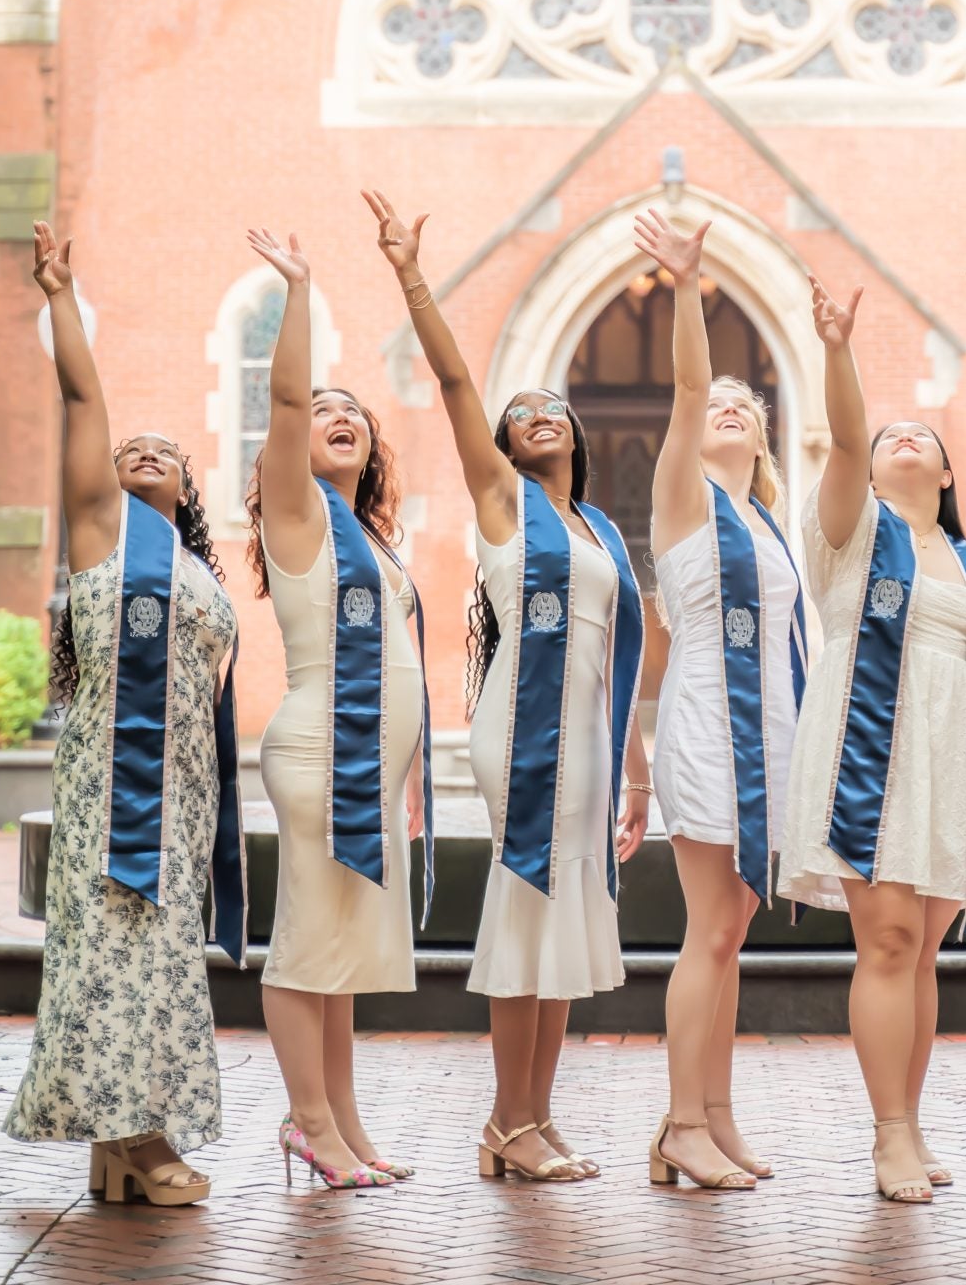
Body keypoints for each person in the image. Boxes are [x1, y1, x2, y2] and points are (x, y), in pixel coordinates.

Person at [365, 186, 650, 1184]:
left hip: (588, 734)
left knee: (564, 916)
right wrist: (411, 275)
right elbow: (453, 380)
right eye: (517, 414)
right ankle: (502, 1120)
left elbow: (617, 655)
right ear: (506, 443)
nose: (534, 417)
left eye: (548, 409)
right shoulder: (503, 502)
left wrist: (634, 765)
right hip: (523, 728)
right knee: (529, 905)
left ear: (575, 433)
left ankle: (534, 1117)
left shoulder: (596, 531)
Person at [779, 272, 966, 1205]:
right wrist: (835, 347)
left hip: (946, 770)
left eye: (922, 435)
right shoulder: (847, 534)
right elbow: (847, 437)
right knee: (885, 941)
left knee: (922, 953)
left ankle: (910, 1121)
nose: (902, 439)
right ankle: (886, 1134)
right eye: (891, 437)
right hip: (866, 761)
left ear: (949, 474)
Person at [7, 224, 246, 1207]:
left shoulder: (197, 571)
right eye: (129, 448)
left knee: (158, 958)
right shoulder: (104, 535)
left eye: (165, 450)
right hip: (112, 785)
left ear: (189, 487)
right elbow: (81, 399)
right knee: (113, 953)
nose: (143, 449)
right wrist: (61, 295)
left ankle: (126, 1136)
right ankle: (136, 1137)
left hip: (180, 794)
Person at [244, 227, 432, 1191]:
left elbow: (401, 662)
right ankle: (307, 1121)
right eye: (322, 411)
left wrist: (409, 776)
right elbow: (282, 401)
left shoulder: (374, 541)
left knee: (344, 952)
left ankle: (345, 1123)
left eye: (352, 410)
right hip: (320, 749)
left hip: (368, 763)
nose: (336, 415)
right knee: (307, 937)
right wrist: (298, 289)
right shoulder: (298, 513)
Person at [639, 206, 807, 1192]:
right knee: (708, 927)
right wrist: (687, 284)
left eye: (747, 401)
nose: (728, 405)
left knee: (732, 933)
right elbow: (691, 383)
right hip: (708, 724)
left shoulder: (769, 522)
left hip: (769, 733)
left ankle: (717, 1114)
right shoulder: (684, 495)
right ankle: (677, 1124)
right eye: (719, 403)